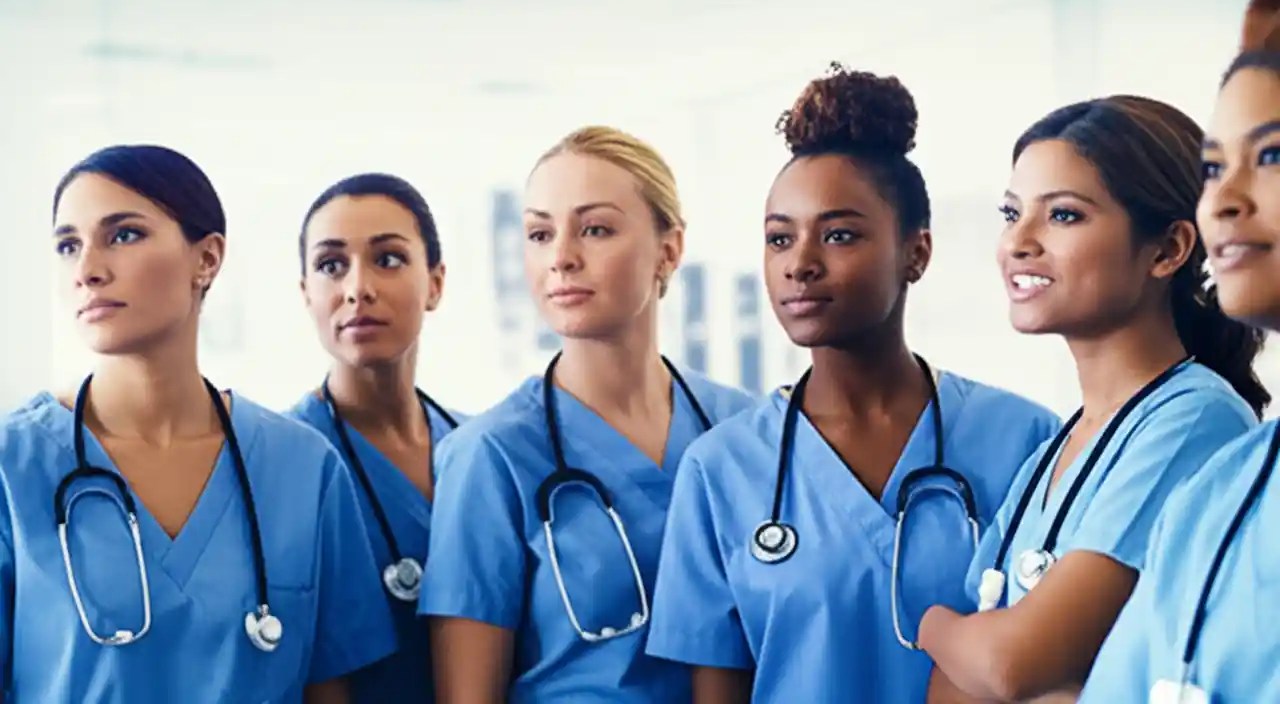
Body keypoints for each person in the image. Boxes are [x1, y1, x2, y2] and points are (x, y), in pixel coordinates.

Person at [641, 64, 1061, 704]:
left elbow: (1057, 665)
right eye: (780, 238)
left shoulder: (1025, 440)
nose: (801, 264)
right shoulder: (721, 470)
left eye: (839, 235)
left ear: (916, 252)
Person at [0, 145, 396, 703]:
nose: (88, 269)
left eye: (124, 235)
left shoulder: (301, 469)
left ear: (207, 259)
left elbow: (327, 689)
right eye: (69, 246)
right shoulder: (14, 468)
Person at [918, 94, 1270, 702]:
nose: (1019, 242)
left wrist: (931, 625)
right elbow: (953, 688)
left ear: (1168, 250)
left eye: (1063, 216)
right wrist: (980, 653)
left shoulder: (1194, 422)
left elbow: (1010, 665)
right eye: (1011, 212)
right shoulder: (1059, 447)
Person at [419, 125, 756, 703]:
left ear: (669, 248)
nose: (562, 258)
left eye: (595, 229)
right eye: (539, 233)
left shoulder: (744, 432)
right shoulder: (492, 455)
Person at [1077, 0, 1280, 701]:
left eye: (1274, 154)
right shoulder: (1217, 496)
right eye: (1214, 168)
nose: (1224, 200)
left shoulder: (1199, 431)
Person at [287, 173, 466, 703]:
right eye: (330, 265)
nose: (357, 288)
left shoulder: (482, 449)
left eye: (387, 259)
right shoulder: (283, 460)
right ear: (306, 294)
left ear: (435, 283)